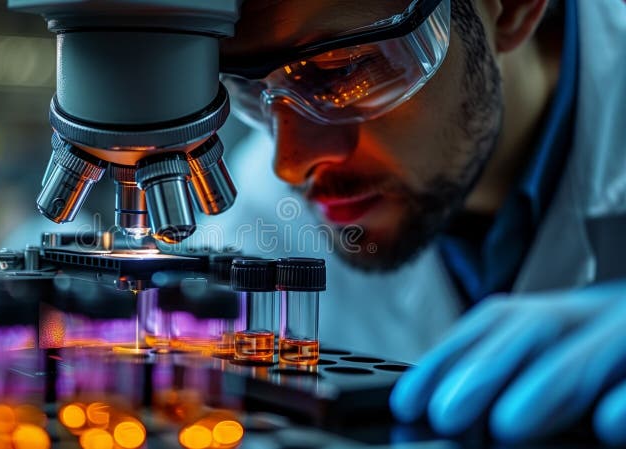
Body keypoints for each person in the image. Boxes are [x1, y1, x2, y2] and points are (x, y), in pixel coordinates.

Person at [212, 0, 626, 444]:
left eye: (343, 73)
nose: (290, 166)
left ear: (510, 10)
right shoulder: (263, 210)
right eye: (248, 90)